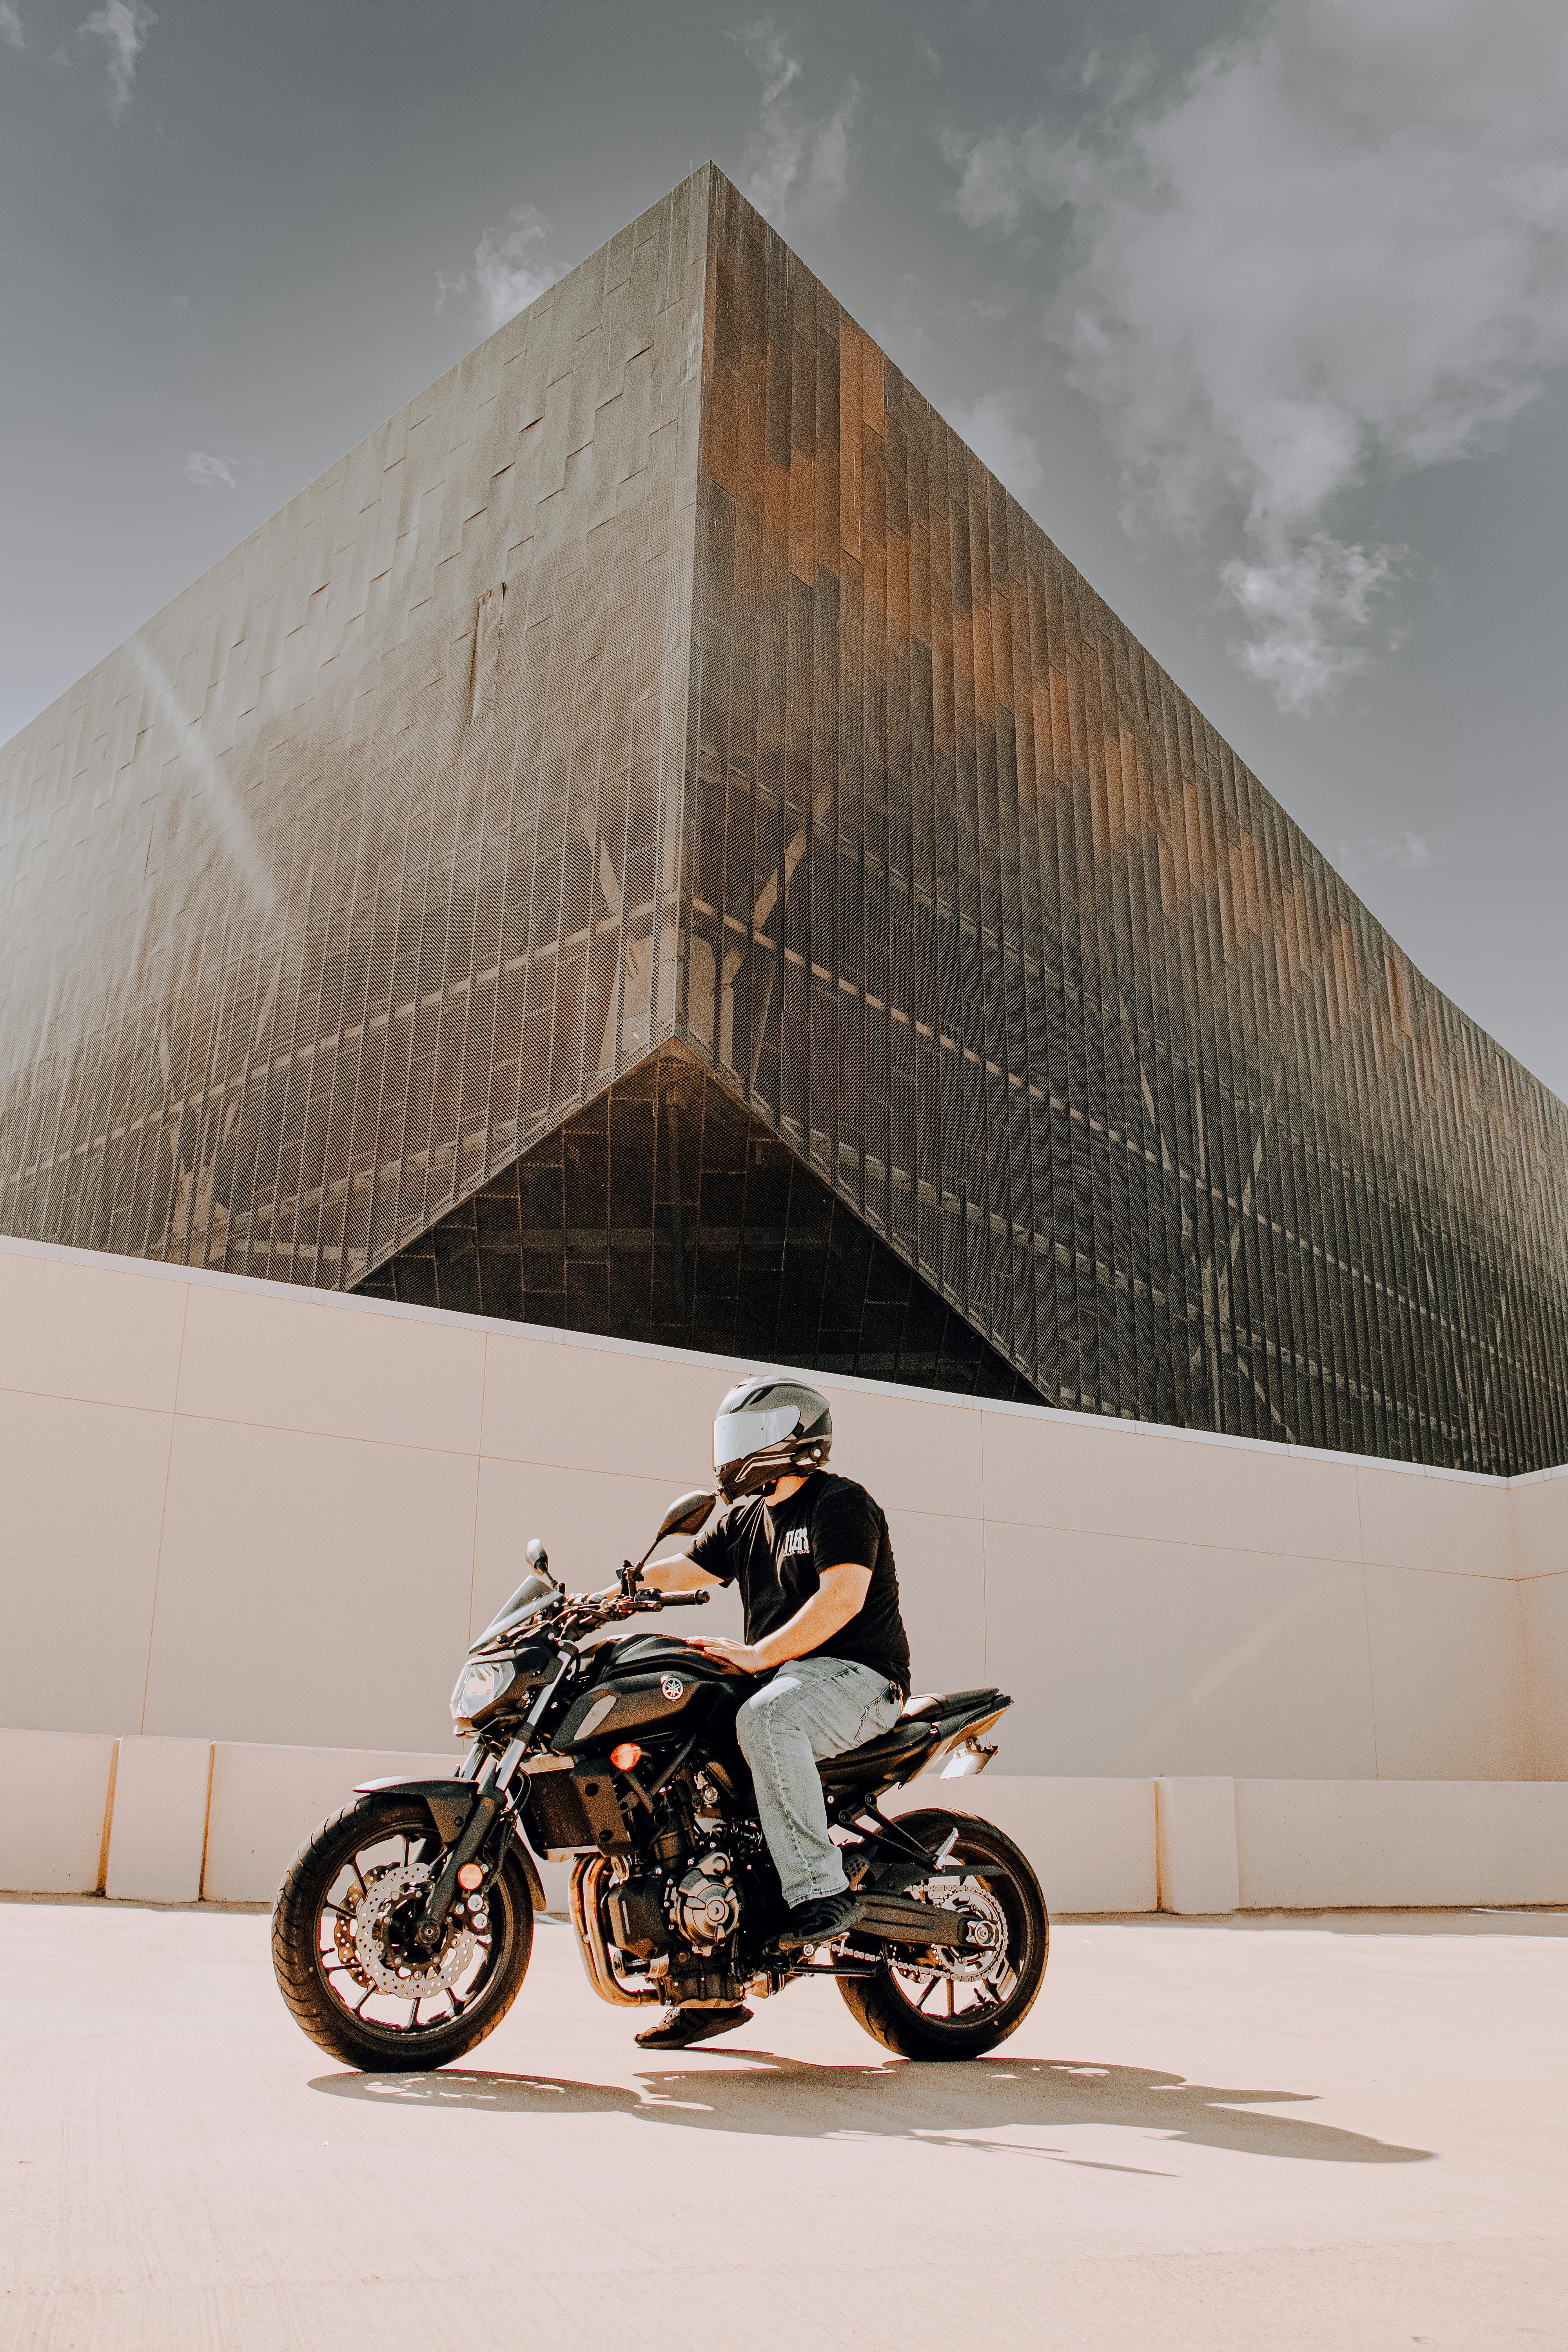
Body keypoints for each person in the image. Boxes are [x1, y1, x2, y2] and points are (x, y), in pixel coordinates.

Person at [635, 1377, 912, 2049]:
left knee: (766, 1720)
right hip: (783, 1677)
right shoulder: (746, 1519)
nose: (735, 1452)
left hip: (858, 1676)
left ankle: (820, 1890)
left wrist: (759, 1655)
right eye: (732, 1437)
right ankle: (708, 1984)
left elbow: (842, 1599)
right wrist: (613, 1591)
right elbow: (689, 1570)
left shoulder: (840, 1503)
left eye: (750, 1436)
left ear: (797, 1439)